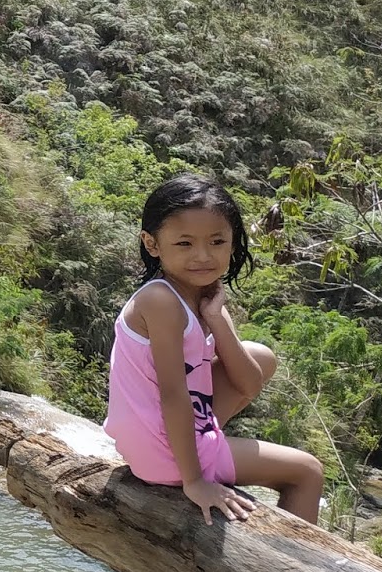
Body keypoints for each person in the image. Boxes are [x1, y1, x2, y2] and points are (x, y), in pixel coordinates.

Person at [104, 174, 325, 525]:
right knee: (307, 471)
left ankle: (207, 442)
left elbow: (250, 382)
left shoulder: (202, 295)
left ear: (233, 241)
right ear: (152, 243)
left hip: (163, 436)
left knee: (262, 356)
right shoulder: (161, 301)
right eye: (185, 244)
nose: (203, 256)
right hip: (161, 449)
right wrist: (195, 481)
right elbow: (173, 394)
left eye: (217, 241)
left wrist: (217, 320)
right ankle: (303, 566)